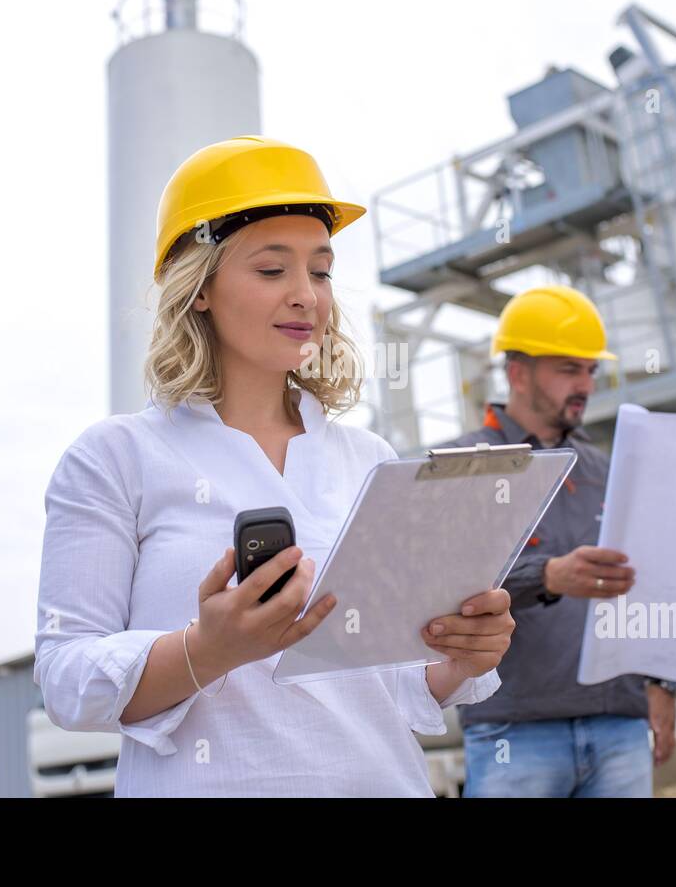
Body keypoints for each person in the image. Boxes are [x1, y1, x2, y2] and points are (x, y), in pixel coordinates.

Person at [33, 135, 511, 796]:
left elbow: (397, 687)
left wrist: (461, 654)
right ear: (199, 289)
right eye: (270, 269)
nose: (306, 296)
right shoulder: (114, 458)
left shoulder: (368, 459)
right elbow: (65, 677)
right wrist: (207, 650)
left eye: (319, 270)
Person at [431, 285, 676, 797]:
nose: (585, 383)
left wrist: (662, 684)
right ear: (518, 372)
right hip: (513, 729)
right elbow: (445, 588)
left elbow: (652, 580)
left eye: (590, 370)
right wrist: (547, 576)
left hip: (619, 724)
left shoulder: (609, 469)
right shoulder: (461, 465)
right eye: (569, 369)